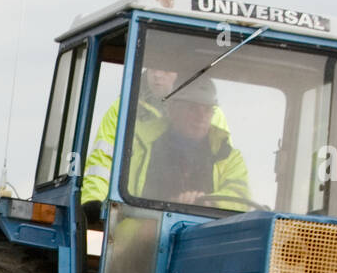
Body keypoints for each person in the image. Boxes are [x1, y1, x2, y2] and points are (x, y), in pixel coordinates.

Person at [81, 68, 229, 208]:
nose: (157, 75)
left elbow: (225, 170)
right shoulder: (125, 107)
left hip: (198, 218)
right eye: (153, 67)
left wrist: (217, 207)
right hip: (136, 213)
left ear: (181, 72)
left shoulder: (212, 114)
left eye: (166, 69)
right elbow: (102, 162)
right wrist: (93, 202)